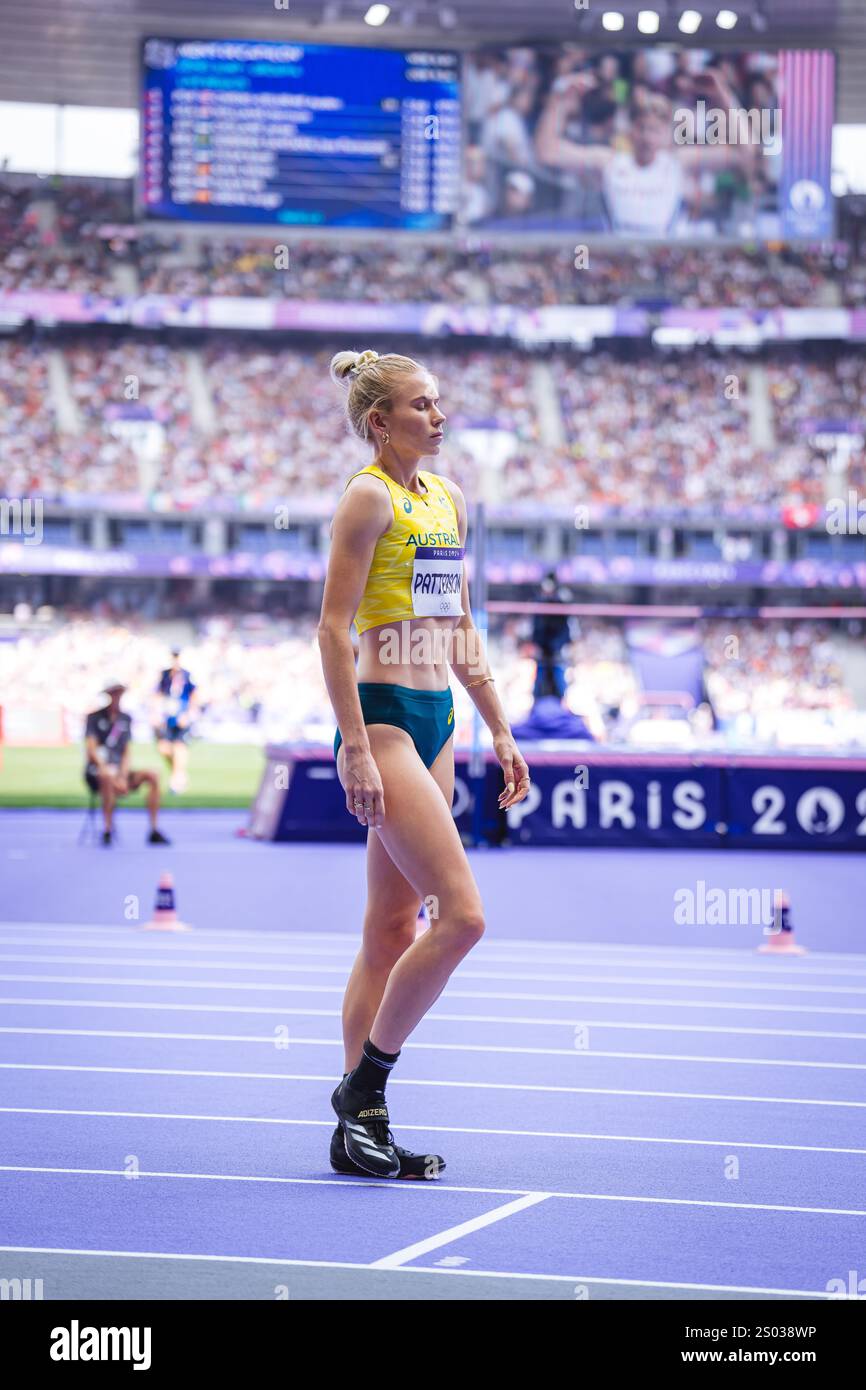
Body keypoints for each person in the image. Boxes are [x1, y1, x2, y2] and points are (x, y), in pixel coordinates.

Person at [318, 347, 531, 1180]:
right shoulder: (366, 499)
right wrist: (356, 750)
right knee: (465, 916)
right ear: (380, 422)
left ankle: (356, 1133)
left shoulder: (446, 498)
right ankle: (362, 1090)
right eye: (421, 406)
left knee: (390, 930)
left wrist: (501, 730)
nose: (439, 417)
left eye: (439, 403)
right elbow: (333, 630)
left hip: (438, 717)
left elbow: (458, 628)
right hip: (385, 722)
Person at [84, 679, 170, 846]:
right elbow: (92, 750)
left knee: (153, 774)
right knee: (107, 775)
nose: (117, 696)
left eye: (120, 693)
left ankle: (153, 829)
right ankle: (108, 830)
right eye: (114, 693)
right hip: (98, 772)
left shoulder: (125, 719)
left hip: (119, 771)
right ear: (108, 695)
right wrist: (108, 771)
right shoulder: (94, 718)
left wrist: (122, 776)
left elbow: (126, 752)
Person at [152, 647, 197, 794]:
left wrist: (189, 714)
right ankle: (179, 774)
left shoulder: (187, 675)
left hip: (182, 717)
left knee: (179, 747)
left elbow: (195, 695)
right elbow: (158, 695)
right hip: (167, 718)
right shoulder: (164, 675)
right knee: (164, 748)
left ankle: (177, 781)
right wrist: (156, 713)